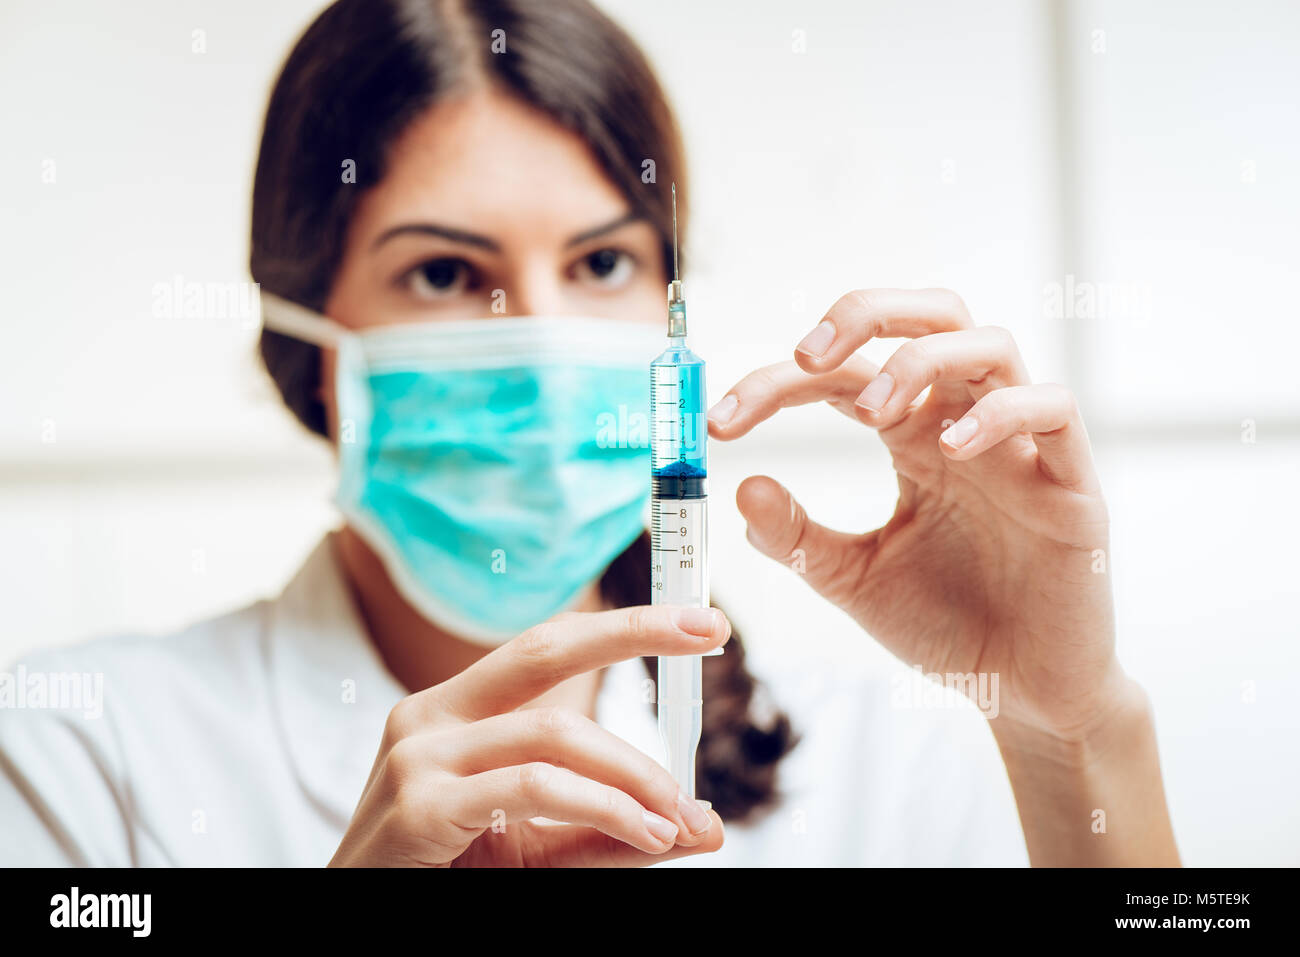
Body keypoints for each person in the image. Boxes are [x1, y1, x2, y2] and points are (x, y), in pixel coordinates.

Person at [0, 0, 1178, 867]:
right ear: (307, 341)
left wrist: (1070, 731)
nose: (541, 334)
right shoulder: (82, 761)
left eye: (604, 261)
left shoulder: (886, 763)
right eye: (449, 272)